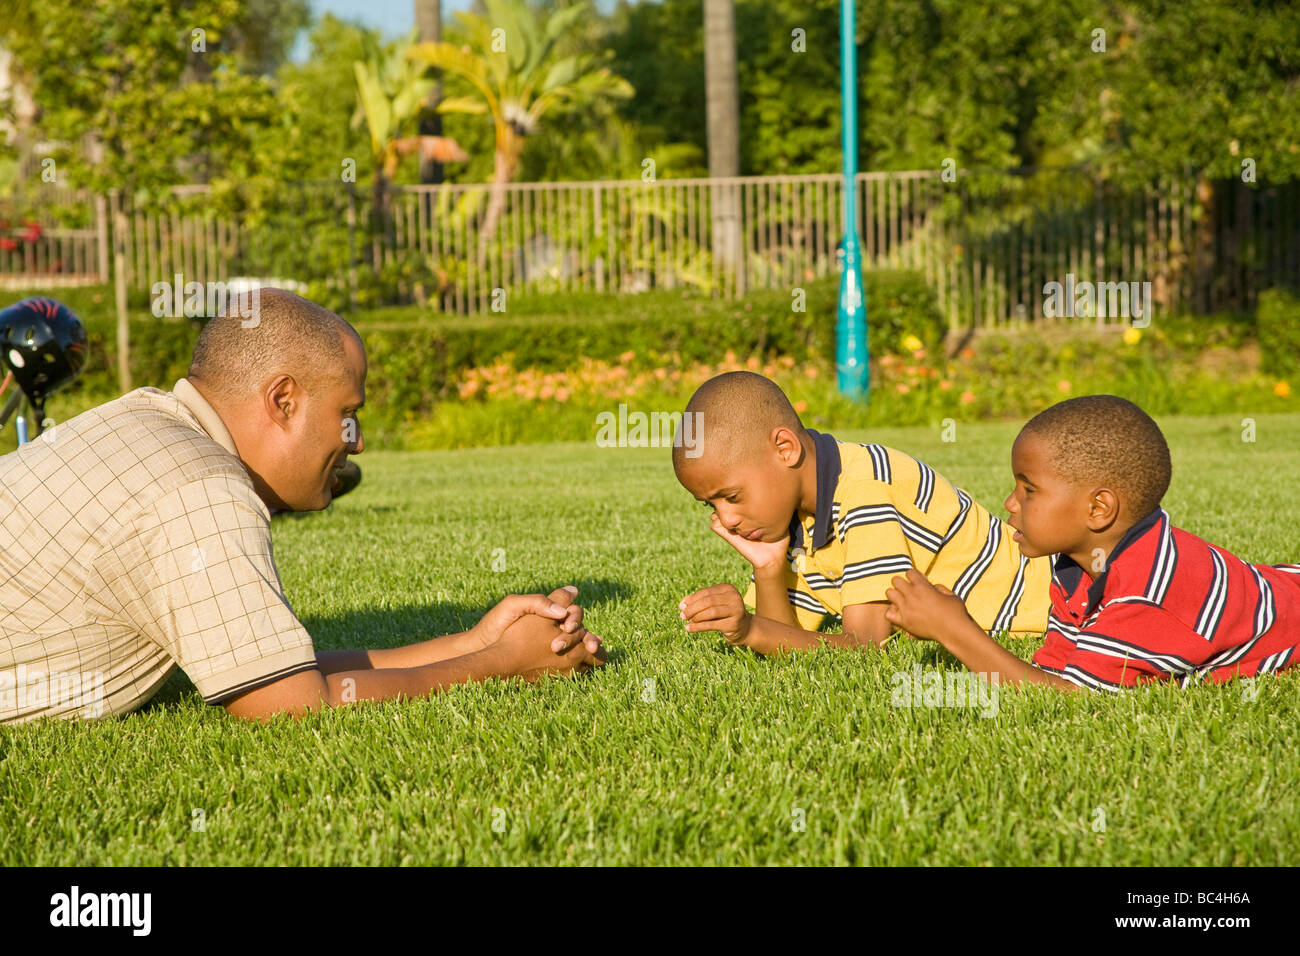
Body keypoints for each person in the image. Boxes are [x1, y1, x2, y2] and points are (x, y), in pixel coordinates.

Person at [0, 288, 604, 725]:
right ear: (284, 400)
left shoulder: (147, 418)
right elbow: (290, 704)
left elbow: (275, 663)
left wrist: (473, 640)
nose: (357, 441)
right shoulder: (202, 490)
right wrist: (501, 663)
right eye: (349, 413)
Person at [882, 395, 1300, 689]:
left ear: (1099, 509)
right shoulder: (1080, 565)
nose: (1010, 502)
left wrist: (953, 630)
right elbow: (1053, 668)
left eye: (1029, 490)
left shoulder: (1145, 597)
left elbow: (1073, 701)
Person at [675, 371, 1050, 652]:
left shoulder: (864, 492)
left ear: (785, 449)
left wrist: (749, 630)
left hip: (1056, 598)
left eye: (733, 496)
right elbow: (788, 640)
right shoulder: (794, 514)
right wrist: (769, 568)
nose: (726, 520)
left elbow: (864, 647)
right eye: (712, 505)